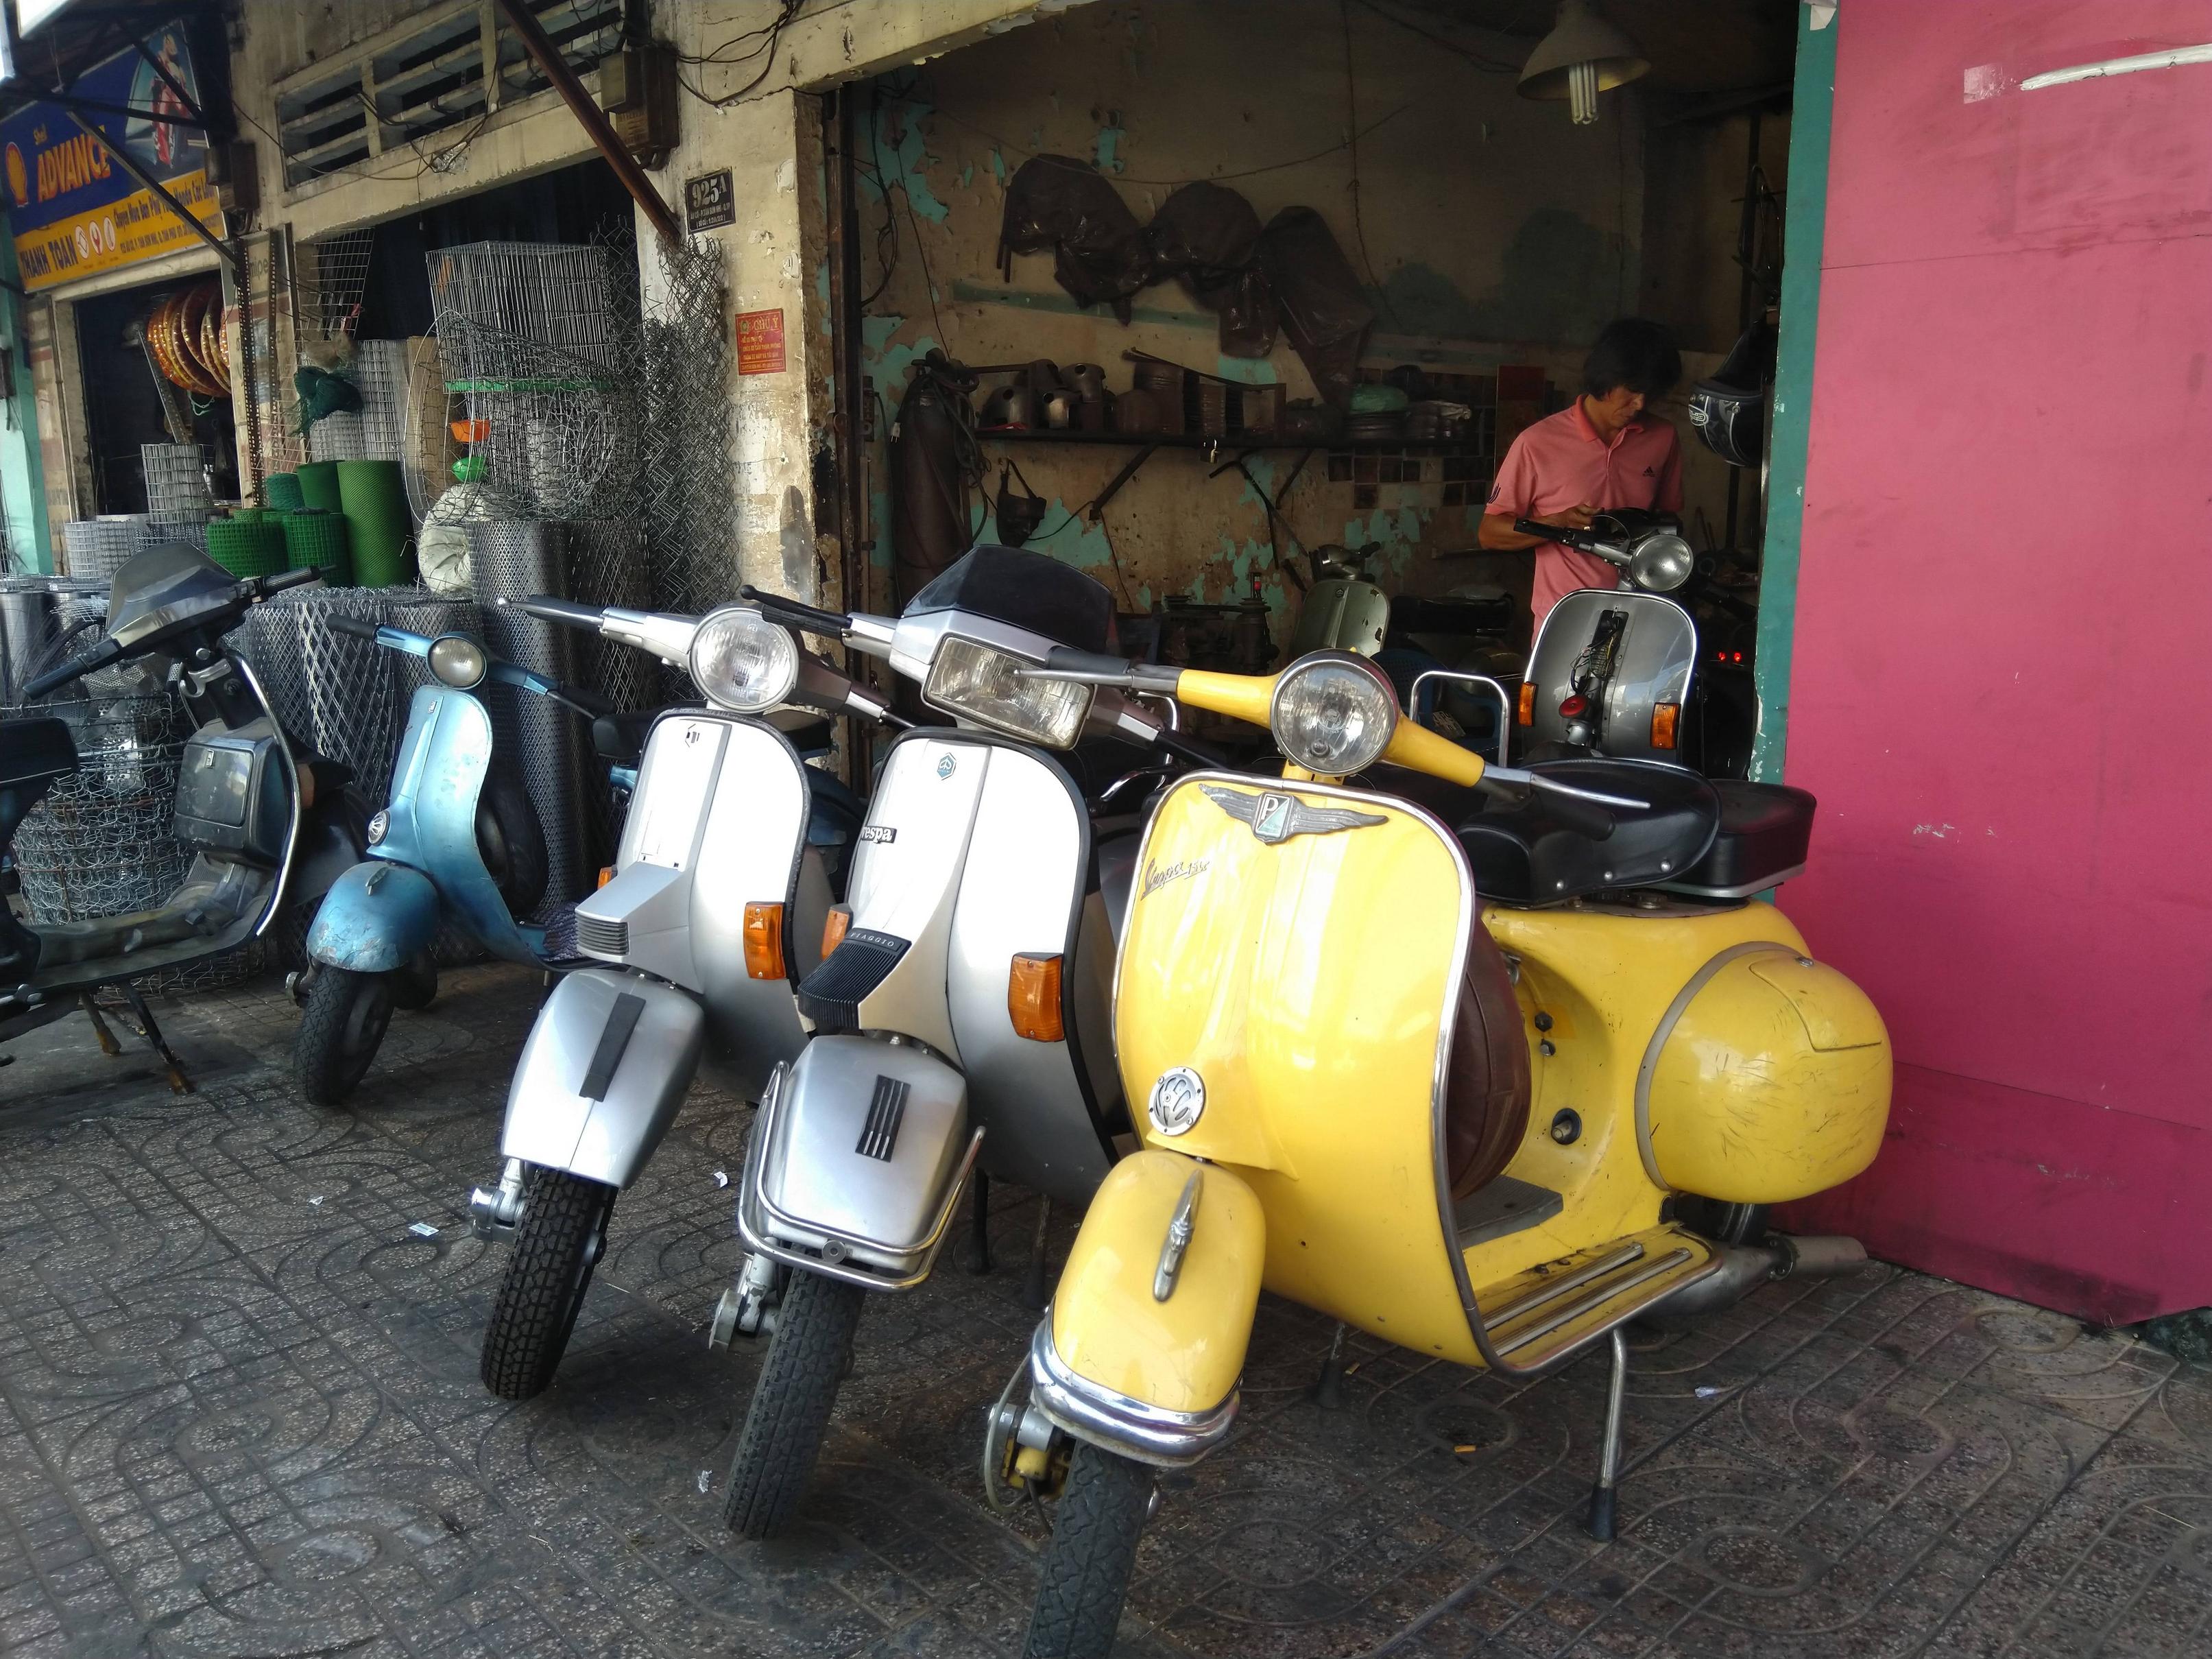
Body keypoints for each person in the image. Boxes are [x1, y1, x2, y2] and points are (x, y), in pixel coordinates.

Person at [1478, 318, 1685, 629]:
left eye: (1650, 394)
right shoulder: (1537, 443)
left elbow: (1669, 525)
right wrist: (1554, 523)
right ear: (1606, 377)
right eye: (1632, 391)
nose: (1640, 403)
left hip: (1639, 616)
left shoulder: (1663, 438)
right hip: (1564, 620)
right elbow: (1490, 532)